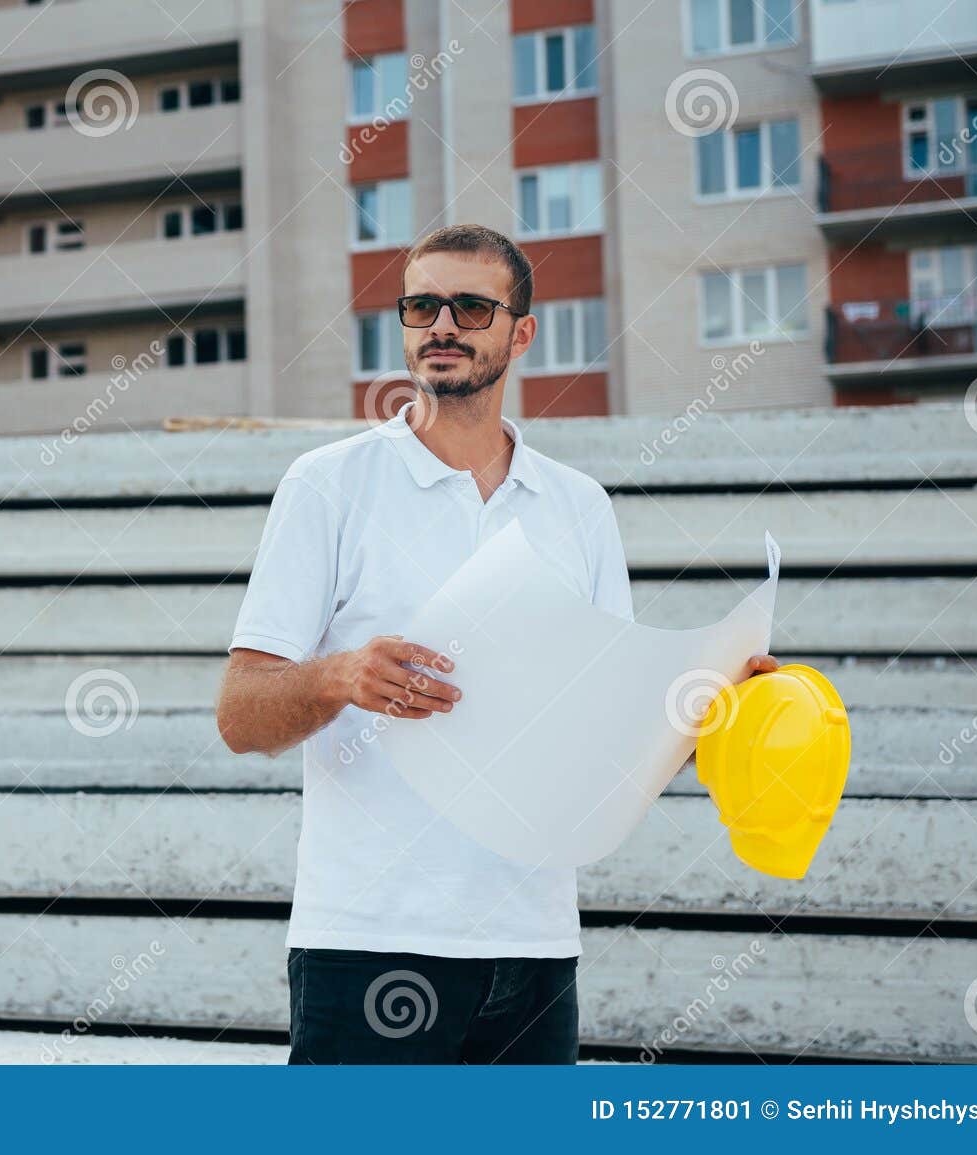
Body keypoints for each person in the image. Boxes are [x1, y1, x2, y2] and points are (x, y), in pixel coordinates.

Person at [215, 223, 776, 1064]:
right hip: (371, 940)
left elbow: (612, 731)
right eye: (421, 304)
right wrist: (340, 675)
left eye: (471, 306)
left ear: (521, 333)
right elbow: (240, 716)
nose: (441, 324)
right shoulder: (329, 485)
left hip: (533, 946)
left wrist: (724, 711)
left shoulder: (576, 504)